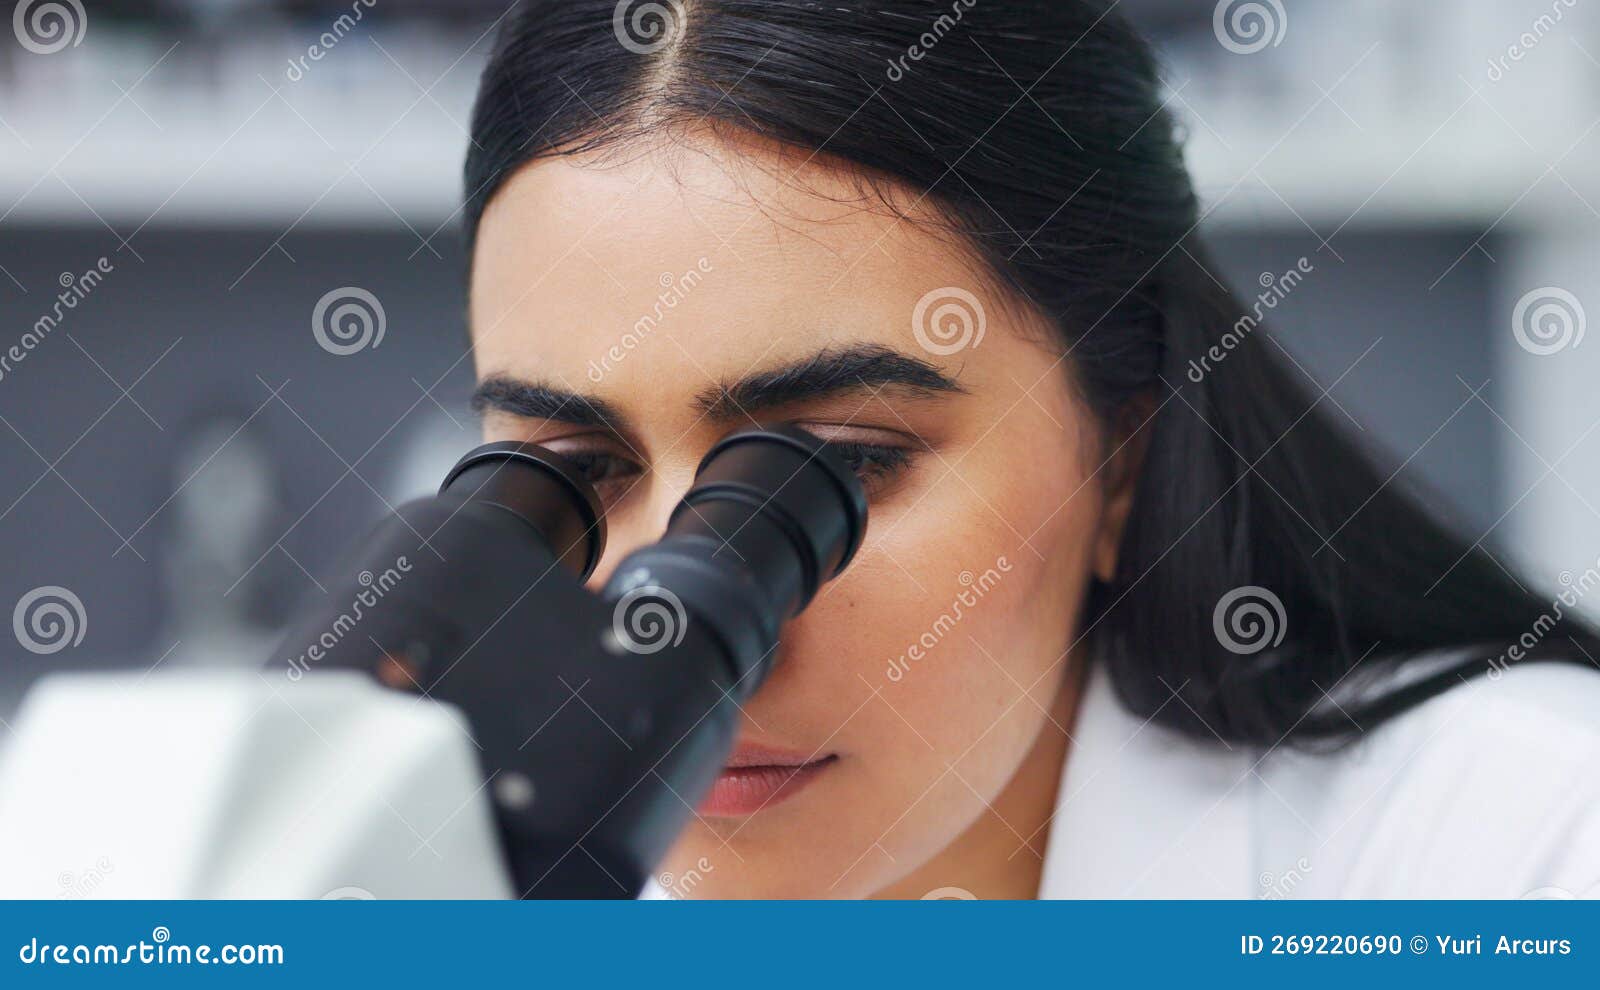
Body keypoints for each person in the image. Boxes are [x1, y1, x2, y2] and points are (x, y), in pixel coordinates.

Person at [456, 0, 1600, 898]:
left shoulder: (1522, 844)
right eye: (573, 471)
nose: (654, 624)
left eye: (834, 469)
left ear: (1123, 455)